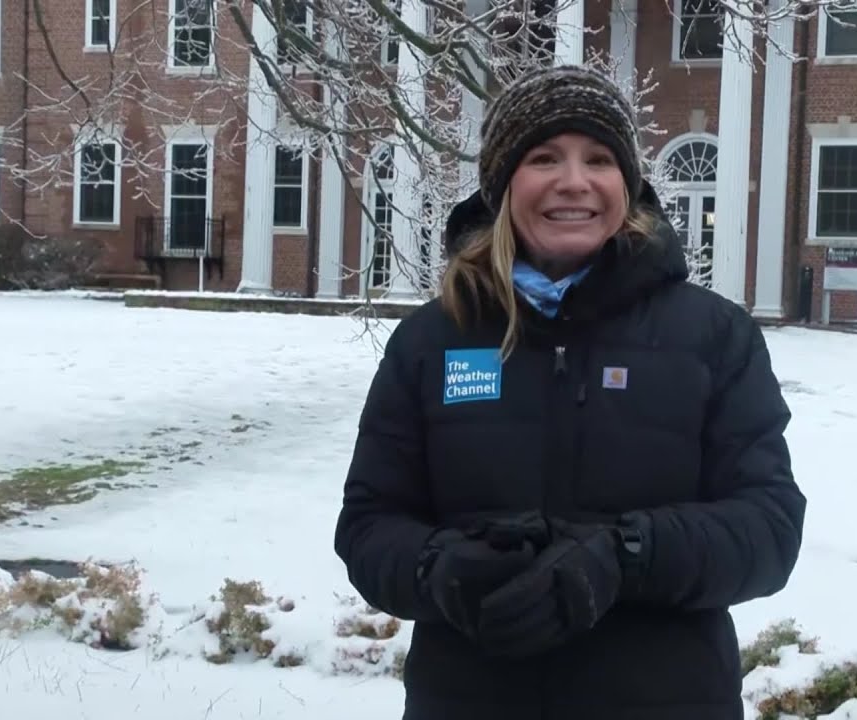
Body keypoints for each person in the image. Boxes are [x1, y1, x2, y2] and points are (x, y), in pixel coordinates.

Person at [333, 65, 806, 720]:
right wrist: (439, 569)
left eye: (599, 159)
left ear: (626, 184)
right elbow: (369, 525)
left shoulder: (714, 338)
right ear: (503, 184)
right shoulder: (431, 341)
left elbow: (769, 527)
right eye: (544, 157)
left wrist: (625, 556)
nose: (575, 181)